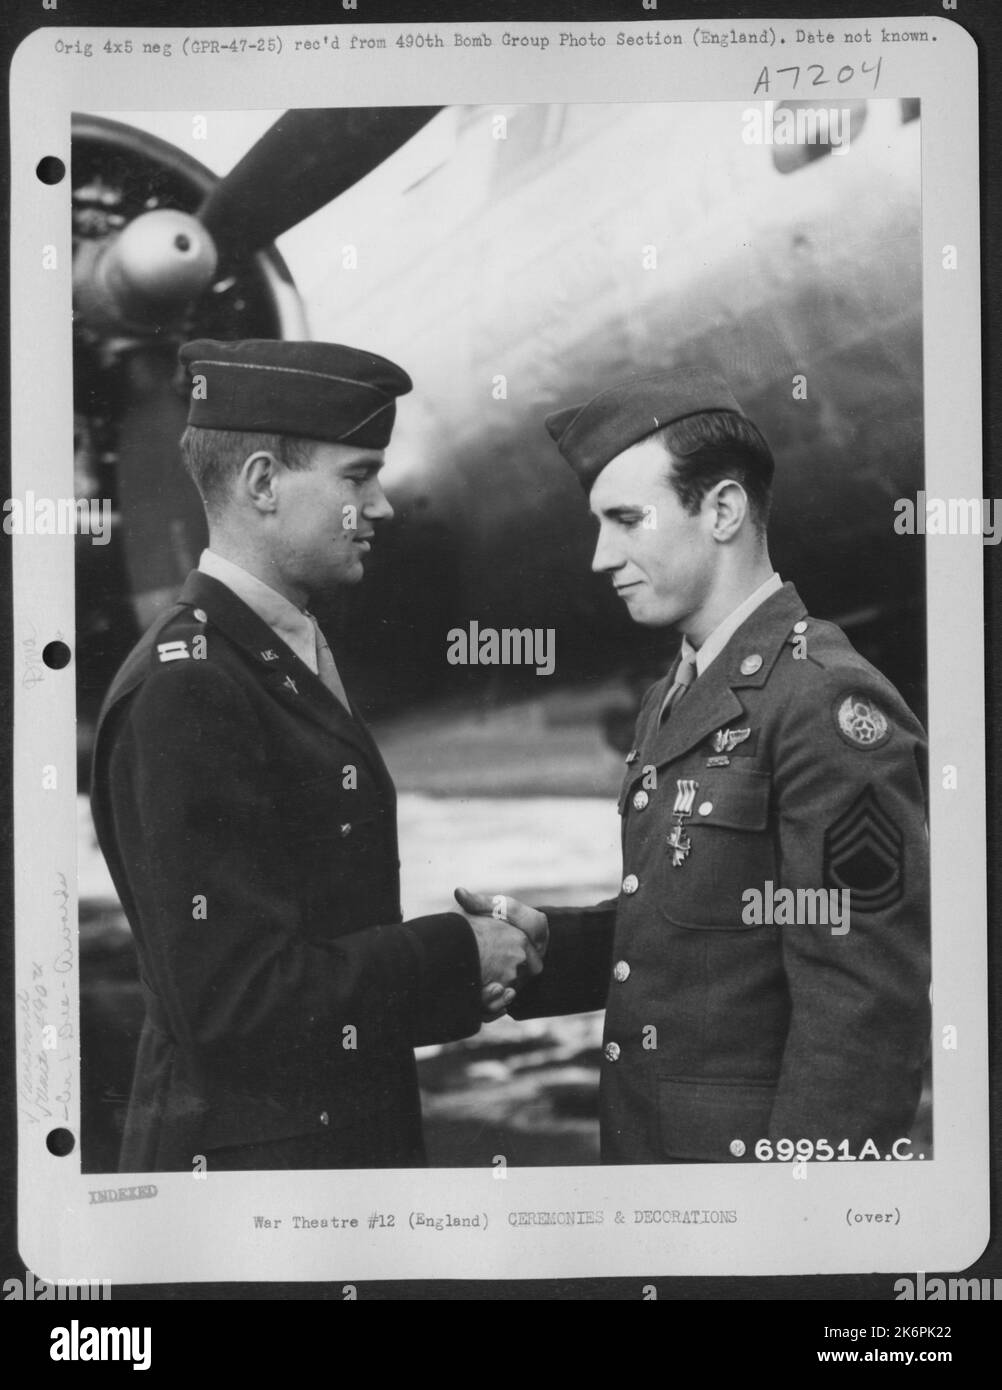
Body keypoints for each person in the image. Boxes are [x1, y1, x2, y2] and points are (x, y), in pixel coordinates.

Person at [458, 367, 931, 1164]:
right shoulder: (673, 697)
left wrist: (786, 1235)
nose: (600, 558)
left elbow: (864, 1012)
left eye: (627, 520)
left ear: (722, 510)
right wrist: (549, 950)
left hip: (742, 1214)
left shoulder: (824, 704)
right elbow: (702, 927)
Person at [91, 337, 542, 1173]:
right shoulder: (190, 686)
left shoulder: (273, 652)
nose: (383, 506)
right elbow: (234, 1002)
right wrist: (456, 954)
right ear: (263, 483)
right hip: (252, 1193)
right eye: (356, 477)